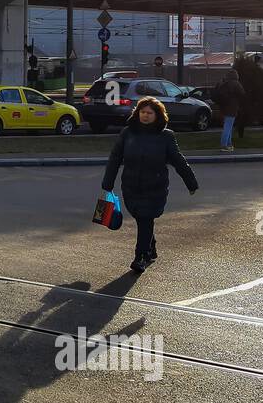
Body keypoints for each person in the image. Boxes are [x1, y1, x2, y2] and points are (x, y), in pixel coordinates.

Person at [101, 97, 199, 274]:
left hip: (155, 187)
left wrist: (191, 183)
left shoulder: (166, 136)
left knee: (146, 218)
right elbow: (115, 158)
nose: (145, 116)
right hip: (130, 186)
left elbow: (178, 160)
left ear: (157, 115)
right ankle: (151, 246)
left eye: (149, 113)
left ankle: (141, 256)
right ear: (137, 113)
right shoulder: (127, 133)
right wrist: (107, 183)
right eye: (142, 112)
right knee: (141, 218)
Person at [215, 68, 246, 152]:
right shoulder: (236, 84)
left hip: (224, 108)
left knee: (228, 125)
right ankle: (224, 145)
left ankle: (229, 144)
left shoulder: (224, 83)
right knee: (228, 127)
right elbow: (242, 93)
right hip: (232, 108)